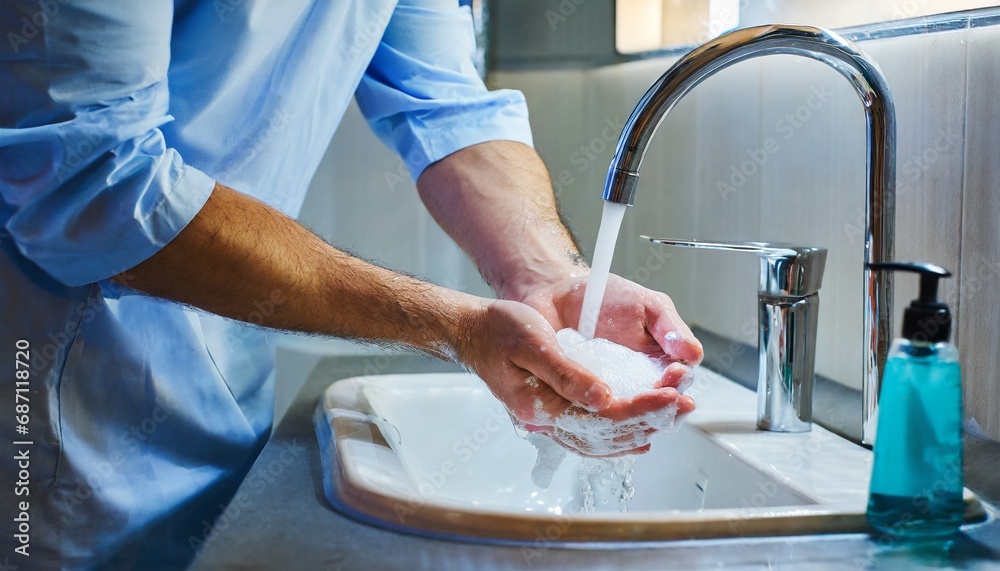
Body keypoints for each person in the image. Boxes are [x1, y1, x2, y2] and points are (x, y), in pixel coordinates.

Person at [0, 0, 702, 567]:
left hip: (224, 378)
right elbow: (92, 183)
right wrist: (453, 325)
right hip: (56, 406)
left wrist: (550, 277)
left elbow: (446, 105)